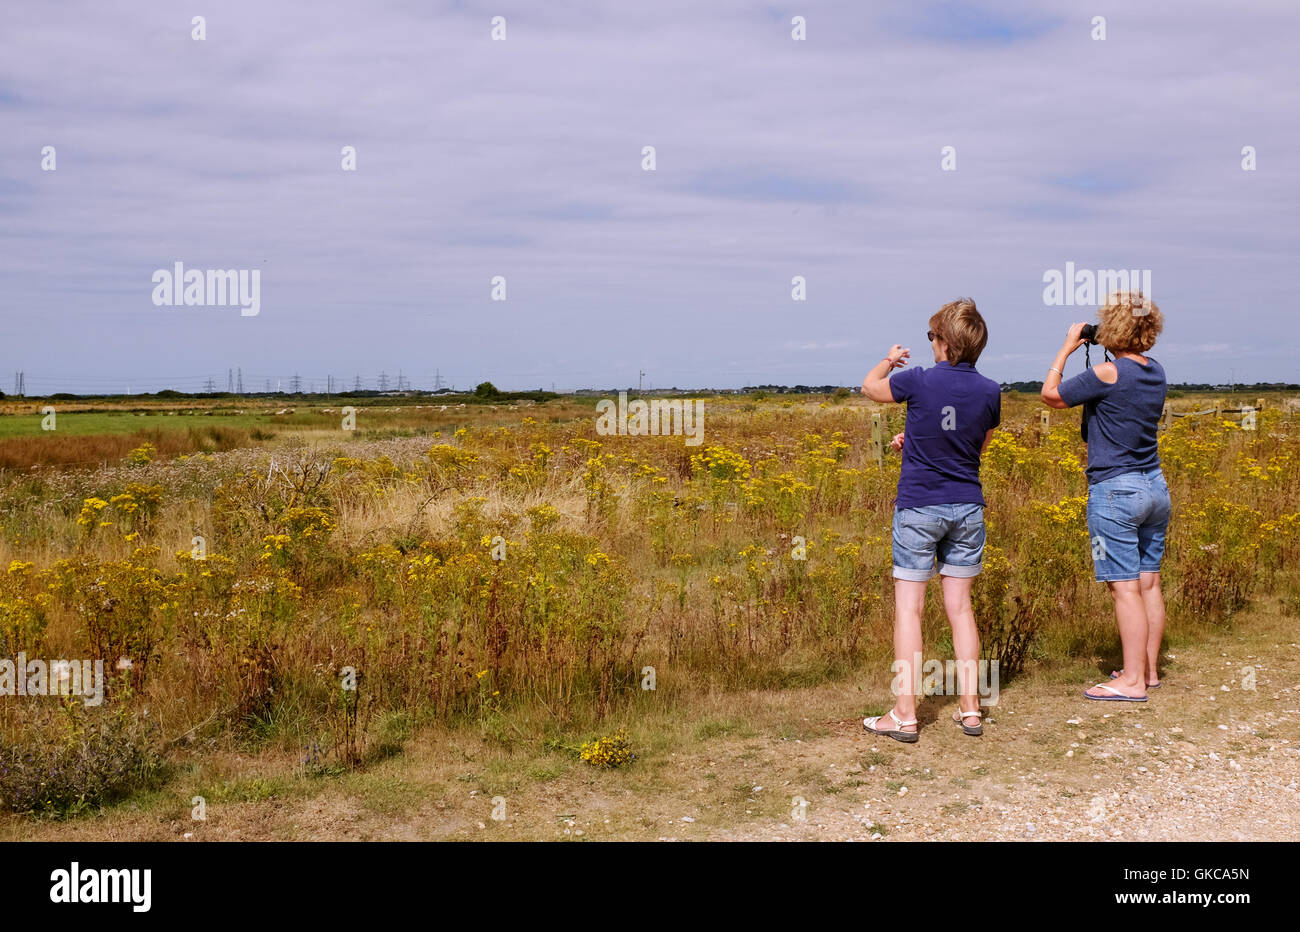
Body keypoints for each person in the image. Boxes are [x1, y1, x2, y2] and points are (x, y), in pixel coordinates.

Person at [859, 298, 1001, 742]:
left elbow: (869, 388)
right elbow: (974, 447)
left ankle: (905, 714)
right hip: (967, 507)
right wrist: (918, 441)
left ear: (943, 343)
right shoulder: (991, 391)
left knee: (910, 609)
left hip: (920, 506)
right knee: (960, 609)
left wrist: (888, 360)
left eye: (931, 337)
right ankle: (971, 710)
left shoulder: (918, 380)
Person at [1040, 292, 1169, 702]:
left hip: (1116, 489)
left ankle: (1130, 682)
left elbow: (1051, 395)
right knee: (1149, 583)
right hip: (1154, 486)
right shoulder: (1157, 371)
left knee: (1124, 588)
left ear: (1113, 328)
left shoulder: (1108, 374)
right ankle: (1146, 671)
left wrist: (1067, 347)